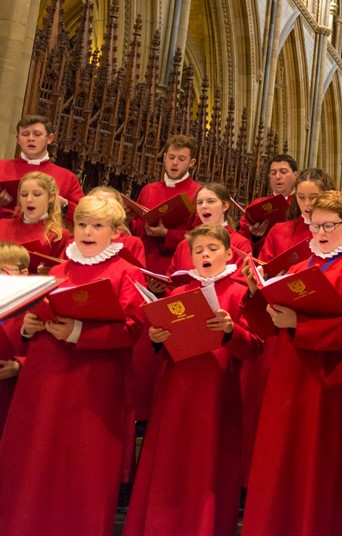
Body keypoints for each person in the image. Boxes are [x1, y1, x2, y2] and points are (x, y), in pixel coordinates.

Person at [0, 195, 144, 536]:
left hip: (92, 388)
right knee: (35, 465)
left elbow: (133, 329)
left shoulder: (126, 271)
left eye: (97, 226)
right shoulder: (56, 270)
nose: (87, 232)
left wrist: (78, 331)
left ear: (115, 232)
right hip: (44, 382)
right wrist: (28, 327)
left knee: (82, 470)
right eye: (81, 224)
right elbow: (31, 316)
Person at [240, 190, 342, 536]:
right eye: (315, 225)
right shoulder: (299, 266)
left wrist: (299, 324)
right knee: (279, 461)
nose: (321, 232)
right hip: (287, 374)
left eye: (329, 225)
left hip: (325, 381)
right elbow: (269, 326)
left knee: (315, 466)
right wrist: (257, 294)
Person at [124, 224, 261, 536]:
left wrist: (231, 331)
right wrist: (157, 337)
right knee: (170, 466)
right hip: (176, 392)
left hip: (217, 394)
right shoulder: (178, 293)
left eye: (212, 249)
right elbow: (163, 348)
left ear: (228, 253)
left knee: (207, 468)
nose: (205, 255)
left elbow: (254, 347)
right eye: (198, 251)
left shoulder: (240, 292)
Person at [132, 134, 201, 273]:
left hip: (173, 266)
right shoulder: (148, 190)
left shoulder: (199, 193)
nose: (175, 163)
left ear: (191, 162)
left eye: (181, 159)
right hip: (142, 263)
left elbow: (200, 237)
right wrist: (127, 219)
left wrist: (166, 233)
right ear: (164, 158)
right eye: (171, 157)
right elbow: (136, 229)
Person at [0, 114, 84, 214]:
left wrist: (63, 205)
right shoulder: (1, 167)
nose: (30, 138)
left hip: (46, 228)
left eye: (37, 134)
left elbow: (84, 214)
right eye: (25, 134)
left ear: (49, 138)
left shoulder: (67, 177)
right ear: (18, 139)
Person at [166, 182, 253, 274]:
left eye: (210, 201)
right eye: (199, 202)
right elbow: (172, 280)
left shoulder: (240, 244)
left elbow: (242, 282)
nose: (203, 206)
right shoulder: (184, 245)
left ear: (225, 206)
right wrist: (154, 288)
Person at [258, 167, 332, 261]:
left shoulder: (336, 232)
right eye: (301, 197)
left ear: (327, 197)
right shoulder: (278, 232)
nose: (307, 204)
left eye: (313, 198)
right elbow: (263, 269)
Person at [0, 171, 70, 260]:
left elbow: (63, 270)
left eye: (37, 194)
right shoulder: (2, 225)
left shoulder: (59, 236)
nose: (29, 199)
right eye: (24, 195)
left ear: (51, 197)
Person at [239, 154, 299, 249]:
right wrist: (254, 237)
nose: (278, 176)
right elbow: (241, 241)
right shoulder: (257, 205)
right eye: (273, 173)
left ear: (296, 175)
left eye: (283, 172)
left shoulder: (302, 202)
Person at [0, 242, 29, 433]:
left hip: (16, 394)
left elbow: (51, 355)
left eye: (4, 270)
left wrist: (19, 366)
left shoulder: (35, 306)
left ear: (24, 273)